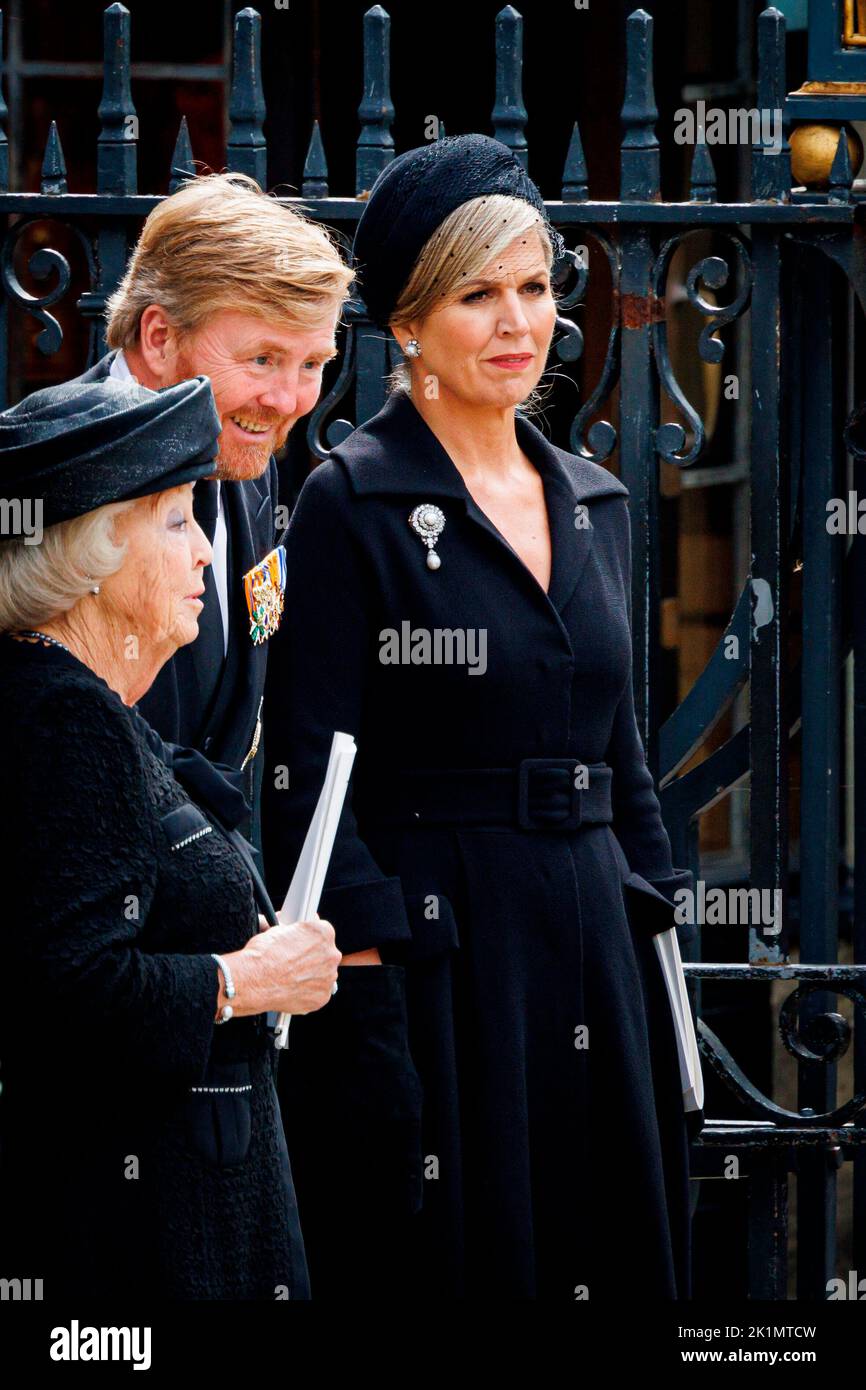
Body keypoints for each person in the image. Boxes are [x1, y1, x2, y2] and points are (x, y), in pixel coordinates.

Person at [261, 134, 700, 1300]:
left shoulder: (595, 497)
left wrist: (646, 921)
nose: (519, 322)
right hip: (444, 954)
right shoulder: (349, 499)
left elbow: (621, 750)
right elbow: (309, 773)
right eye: (476, 294)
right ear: (405, 324)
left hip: (593, 940)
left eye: (534, 287)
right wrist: (371, 1002)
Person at [0, 376, 341, 1301]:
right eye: (176, 525)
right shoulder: (64, 720)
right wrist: (249, 981)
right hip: (134, 1241)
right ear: (93, 552)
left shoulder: (85, 709)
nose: (204, 557)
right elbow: (65, 993)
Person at [75, 172, 354, 841]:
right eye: (262, 359)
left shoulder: (246, 466)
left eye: (312, 364)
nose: (288, 401)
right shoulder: (56, 482)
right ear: (159, 337)